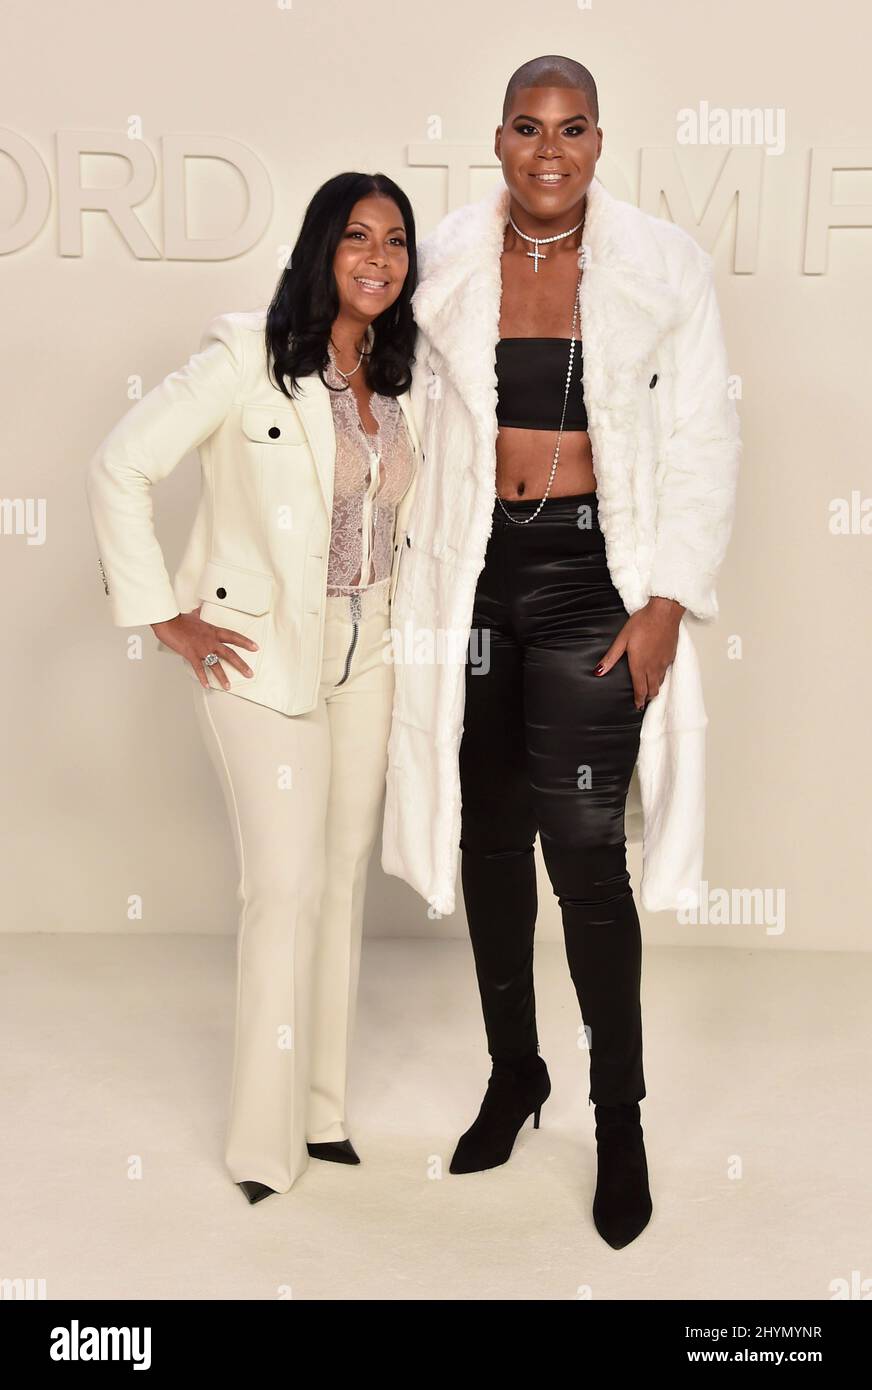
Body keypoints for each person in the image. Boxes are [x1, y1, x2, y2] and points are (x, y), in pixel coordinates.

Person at [382, 56, 741, 1248]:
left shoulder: (659, 265)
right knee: (487, 835)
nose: (549, 149)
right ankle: (512, 1072)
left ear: (598, 140)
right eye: (528, 128)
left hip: (598, 580)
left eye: (571, 128)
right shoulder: (440, 258)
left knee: (584, 852)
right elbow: (381, 395)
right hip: (472, 577)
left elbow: (702, 436)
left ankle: (618, 1117)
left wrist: (668, 601)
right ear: (495, 139)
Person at [86, 172, 422, 1204]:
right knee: (281, 891)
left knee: (338, 879)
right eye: (356, 237)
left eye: (396, 242)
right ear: (322, 248)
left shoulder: (400, 379)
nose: (377, 257)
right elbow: (120, 464)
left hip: (364, 658)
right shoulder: (246, 356)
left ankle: (320, 1111)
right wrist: (161, 612)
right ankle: (260, 1147)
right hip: (258, 658)